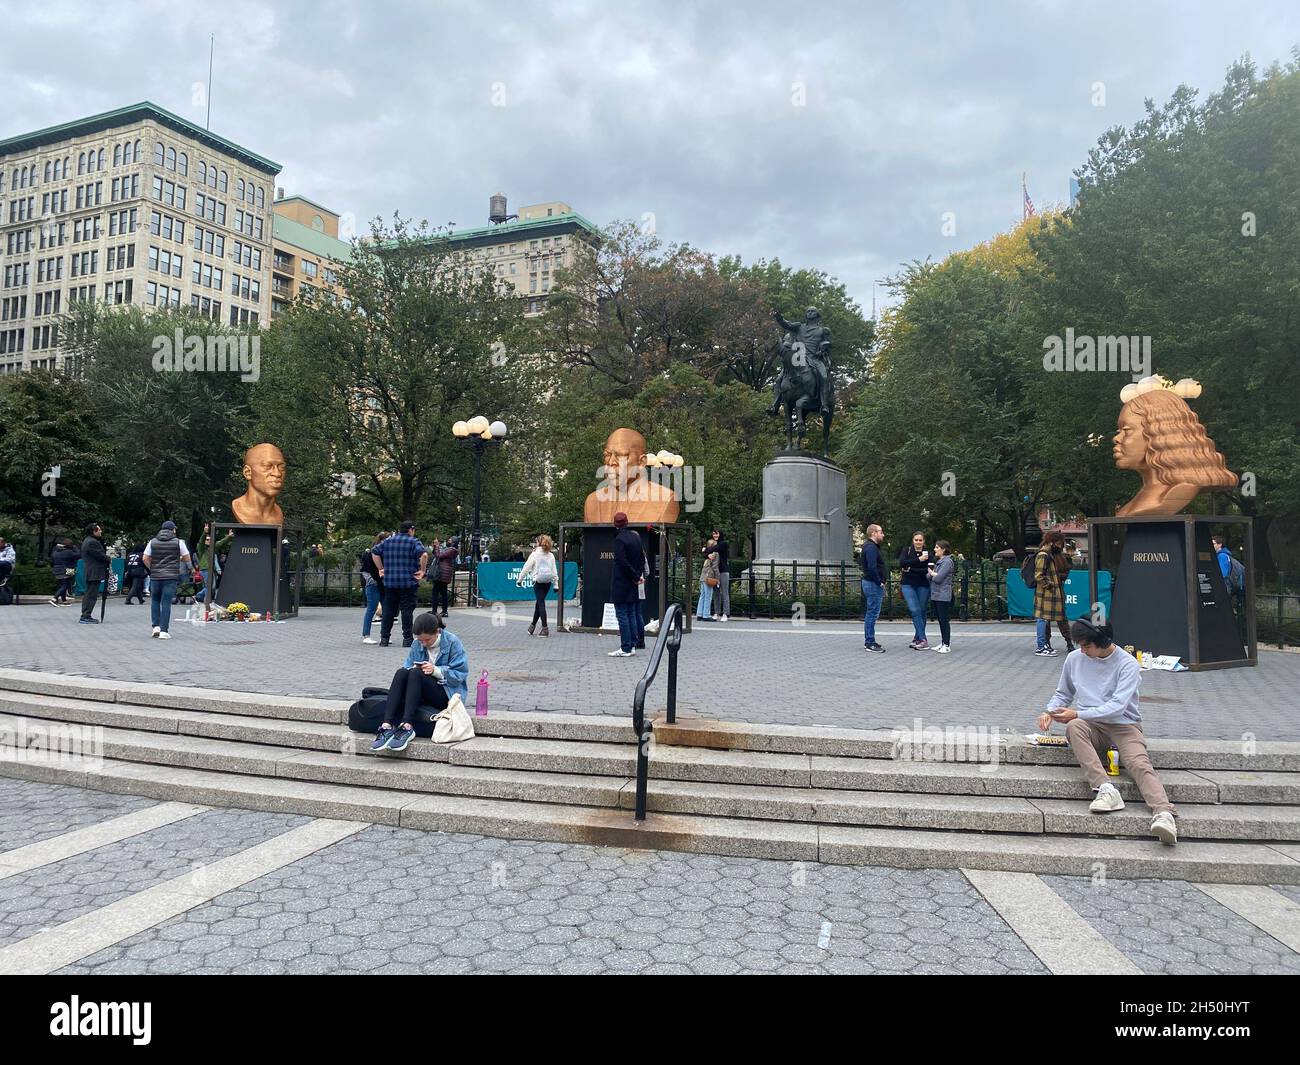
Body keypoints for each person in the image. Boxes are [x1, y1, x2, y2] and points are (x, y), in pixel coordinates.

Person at [1036, 618, 1177, 846]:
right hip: (1092, 725)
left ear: (1103, 642)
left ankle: (1164, 814)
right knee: (1074, 727)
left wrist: (1077, 713)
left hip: (1124, 725)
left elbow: (1117, 706)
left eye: (1086, 646)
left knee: (1138, 763)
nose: (1081, 650)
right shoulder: (1074, 659)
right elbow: (1063, 693)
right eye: (1079, 645)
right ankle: (1105, 789)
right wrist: (1050, 711)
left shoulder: (1127, 664)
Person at [371, 612, 469, 752]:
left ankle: (407, 726)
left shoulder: (453, 642)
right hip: (421, 691)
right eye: (420, 640)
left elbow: (460, 674)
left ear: (437, 632)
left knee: (416, 673)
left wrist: (436, 671)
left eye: (427, 640)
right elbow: (407, 666)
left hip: (447, 693)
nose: (423, 644)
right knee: (402, 672)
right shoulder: (417, 643)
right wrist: (412, 668)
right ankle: (386, 725)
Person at [372, 521, 427, 648]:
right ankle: (407, 639)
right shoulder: (414, 541)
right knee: (407, 611)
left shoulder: (388, 541)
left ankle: (384, 638)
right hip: (408, 583)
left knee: (388, 611)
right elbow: (423, 554)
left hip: (390, 582)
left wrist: (381, 568)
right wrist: (422, 571)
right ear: (411, 530)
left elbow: (374, 552)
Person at [142, 520, 192, 639]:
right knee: (166, 603)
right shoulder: (178, 542)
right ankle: (164, 631)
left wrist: (152, 568)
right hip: (170, 577)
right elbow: (187, 558)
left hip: (155, 576)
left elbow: (145, 558)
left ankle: (156, 627)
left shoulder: (152, 542)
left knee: (155, 601)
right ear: (173, 530)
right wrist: (178, 559)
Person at [609, 512, 645, 657]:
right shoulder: (636, 538)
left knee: (622, 615)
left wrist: (635, 576)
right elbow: (642, 558)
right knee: (631, 614)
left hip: (622, 583)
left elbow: (622, 562)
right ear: (627, 522)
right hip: (633, 583)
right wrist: (638, 576)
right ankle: (632, 645)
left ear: (614, 524)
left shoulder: (619, 540)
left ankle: (625, 647)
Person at [1033, 528, 1073, 657]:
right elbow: (1039, 575)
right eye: (1059, 543)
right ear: (1052, 542)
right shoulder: (1044, 554)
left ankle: (1045, 645)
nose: (1060, 546)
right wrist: (1050, 586)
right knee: (1043, 619)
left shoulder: (1048, 554)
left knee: (1045, 619)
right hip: (1047, 594)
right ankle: (1042, 646)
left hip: (1050, 594)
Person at [518, 534, 558, 637]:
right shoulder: (551, 555)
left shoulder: (535, 554)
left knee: (541, 604)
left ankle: (545, 628)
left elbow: (526, 568)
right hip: (548, 582)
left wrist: (520, 579)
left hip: (538, 581)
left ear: (539, 543)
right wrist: (556, 584)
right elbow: (554, 571)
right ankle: (532, 626)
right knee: (539, 604)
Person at [897, 531, 931, 649]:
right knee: (915, 610)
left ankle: (917, 638)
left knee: (922, 611)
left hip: (923, 584)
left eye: (920, 540)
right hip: (908, 584)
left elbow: (929, 570)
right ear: (913, 540)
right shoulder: (907, 551)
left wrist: (911, 569)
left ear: (923, 541)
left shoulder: (928, 553)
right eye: (916, 540)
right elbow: (902, 563)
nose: (918, 542)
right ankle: (923, 639)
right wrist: (919, 560)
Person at [861, 523, 887, 653]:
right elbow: (871, 567)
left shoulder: (872, 547)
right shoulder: (871, 548)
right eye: (880, 532)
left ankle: (870, 640)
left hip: (872, 583)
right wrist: (879, 581)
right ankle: (870, 642)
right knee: (872, 613)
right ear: (873, 533)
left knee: (872, 613)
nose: (883, 534)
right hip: (872, 584)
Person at [360, 531, 388, 645]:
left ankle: (384, 635)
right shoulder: (372, 553)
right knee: (371, 609)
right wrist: (372, 581)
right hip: (375, 584)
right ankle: (366, 635)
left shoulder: (382, 552)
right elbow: (365, 571)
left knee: (386, 609)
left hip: (381, 584)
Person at [927, 540, 955, 654]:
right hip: (936, 594)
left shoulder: (947, 562)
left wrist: (933, 574)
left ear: (943, 549)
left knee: (944, 620)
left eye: (937, 547)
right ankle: (943, 642)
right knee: (940, 619)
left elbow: (938, 578)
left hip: (943, 595)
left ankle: (947, 644)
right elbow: (928, 575)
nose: (935, 549)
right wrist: (933, 574)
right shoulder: (939, 561)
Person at [79, 523, 109, 624]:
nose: (101, 531)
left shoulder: (88, 541)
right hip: (94, 571)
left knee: (89, 593)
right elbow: (100, 555)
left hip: (91, 570)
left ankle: (86, 614)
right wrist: (108, 558)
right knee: (91, 594)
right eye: (99, 530)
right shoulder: (92, 542)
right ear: (94, 531)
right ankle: (86, 615)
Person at [430, 536, 457, 617]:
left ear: (453, 542)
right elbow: (436, 554)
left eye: (449, 540)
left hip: (441, 574)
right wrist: (435, 546)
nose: (448, 541)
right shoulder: (450, 550)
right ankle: (443, 611)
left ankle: (435, 611)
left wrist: (437, 546)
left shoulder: (452, 550)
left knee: (436, 592)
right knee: (443, 593)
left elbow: (439, 556)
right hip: (443, 574)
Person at [707, 530, 731, 621]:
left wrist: (705, 549)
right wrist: (706, 553)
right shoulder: (714, 544)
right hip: (714, 572)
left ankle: (725, 613)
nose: (715, 535)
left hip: (723, 571)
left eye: (716, 533)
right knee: (716, 593)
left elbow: (713, 549)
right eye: (713, 533)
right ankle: (717, 612)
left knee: (724, 592)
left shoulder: (723, 544)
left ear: (720, 534)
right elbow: (707, 554)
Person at [50, 538, 79, 606]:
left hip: (57, 570)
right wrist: (75, 548)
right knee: (66, 585)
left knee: (61, 585)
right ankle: (54, 598)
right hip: (67, 570)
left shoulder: (55, 552)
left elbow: (52, 561)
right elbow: (79, 555)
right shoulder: (69, 552)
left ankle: (64, 600)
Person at [696, 539, 719, 622]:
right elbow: (715, 567)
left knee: (702, 595)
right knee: (708, 597)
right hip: (709, 577)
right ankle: (706, 615)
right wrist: (717, 578)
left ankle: (699, 614)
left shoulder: (707, 555)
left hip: (703, 576)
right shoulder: (715, 554)